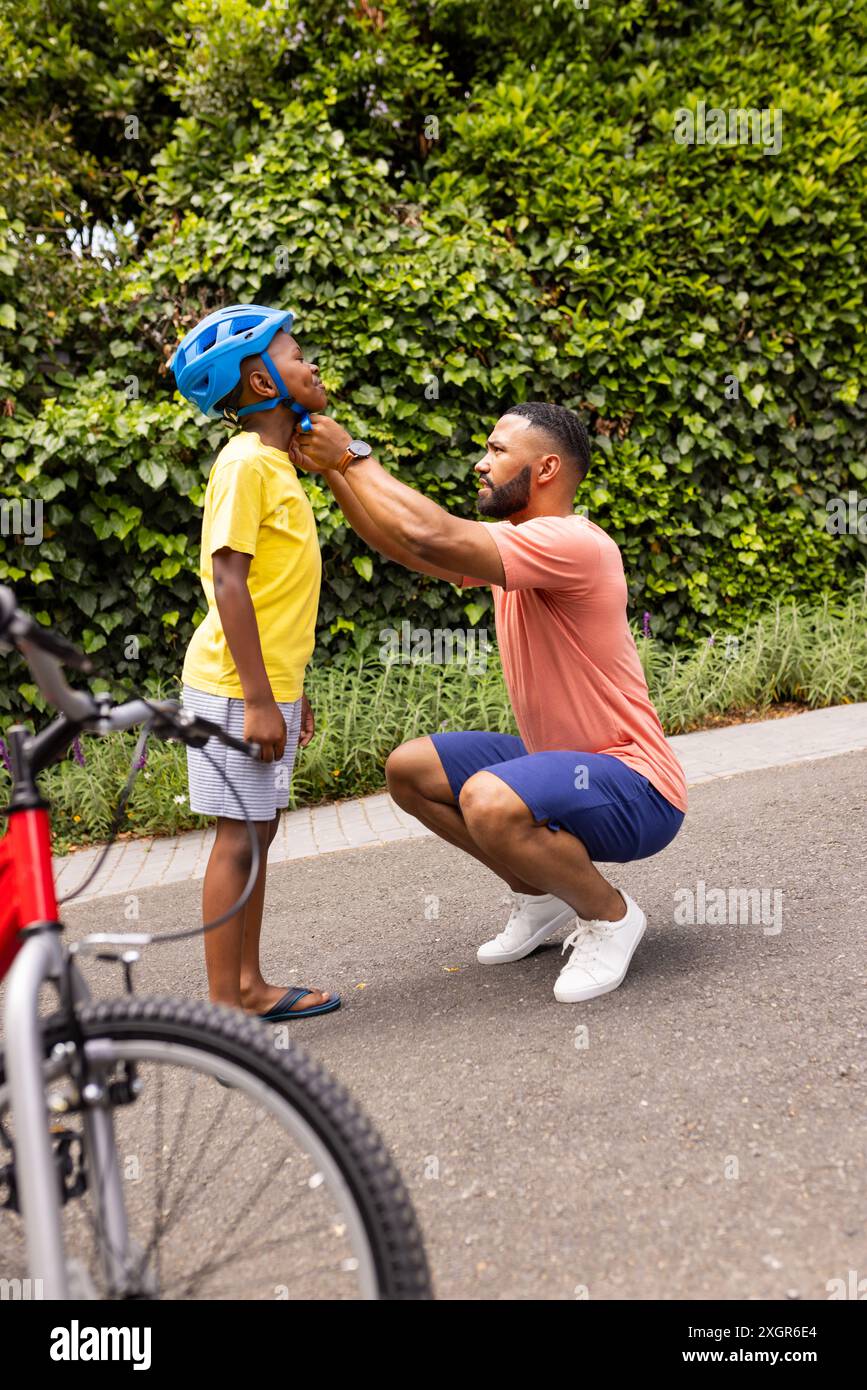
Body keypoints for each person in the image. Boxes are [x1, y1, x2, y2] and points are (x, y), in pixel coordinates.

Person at [293, 402, 687, 1003]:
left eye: (499, 452)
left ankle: (610, 916)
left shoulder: (573, 542)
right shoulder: (518, 544)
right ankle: (540, 896)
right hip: (561, 763)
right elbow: (410, 547)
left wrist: (352, 455)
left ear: (547, 468)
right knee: (411, 770)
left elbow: (431, 531)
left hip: (638, 785)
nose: (482, 463)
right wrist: (333, 473)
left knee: (488, 799)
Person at [170, 303, 339, 1020]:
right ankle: (222, 1011)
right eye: (297, 355)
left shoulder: (272, 463)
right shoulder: (243, 465)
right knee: (238, 838)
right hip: (233, 687)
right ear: (259, 378)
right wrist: (262, 701)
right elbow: (229, 580)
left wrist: (286, 697)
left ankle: (247, 986)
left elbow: (275, 593)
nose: (312, 365)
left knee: (256, 833)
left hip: (262, 686)